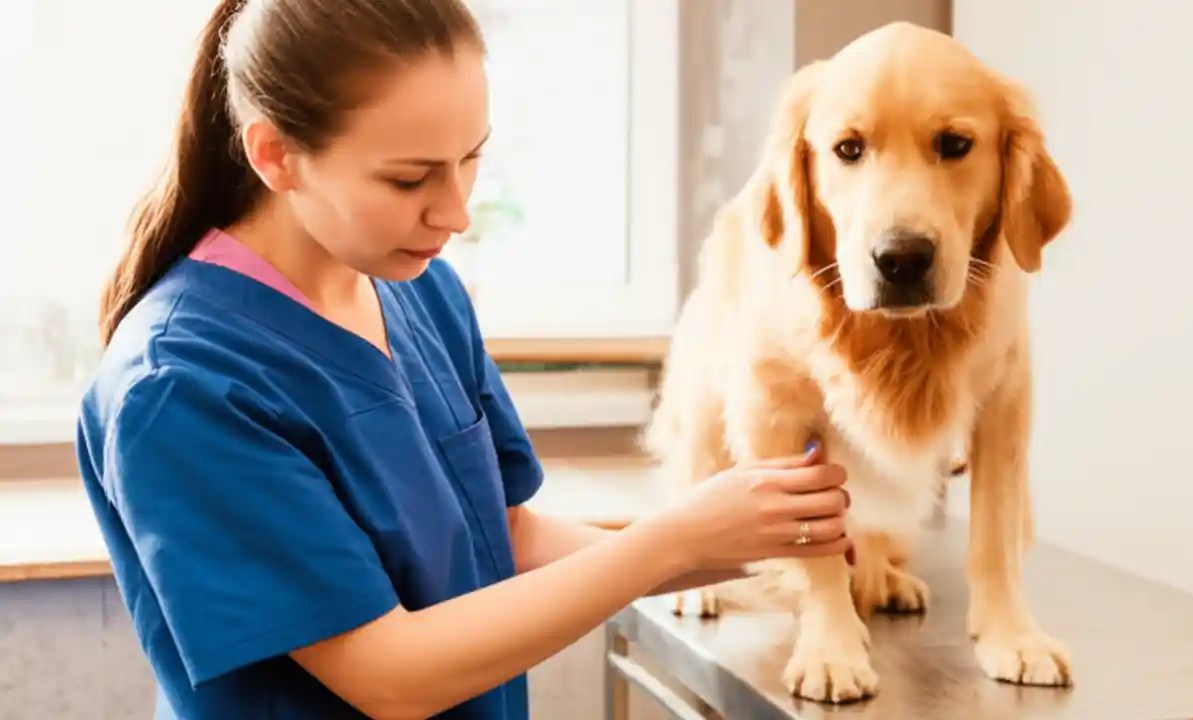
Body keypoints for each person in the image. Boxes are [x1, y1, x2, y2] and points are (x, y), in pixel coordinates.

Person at [75, 1, 856, 718]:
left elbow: (503, 538)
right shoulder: (183, 385)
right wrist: (674, 540)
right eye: (409, 177)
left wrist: (745, 539)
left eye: (471, 160)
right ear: (276, 155)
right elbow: (391, 675)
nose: (455, 212)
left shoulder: (417, 289)